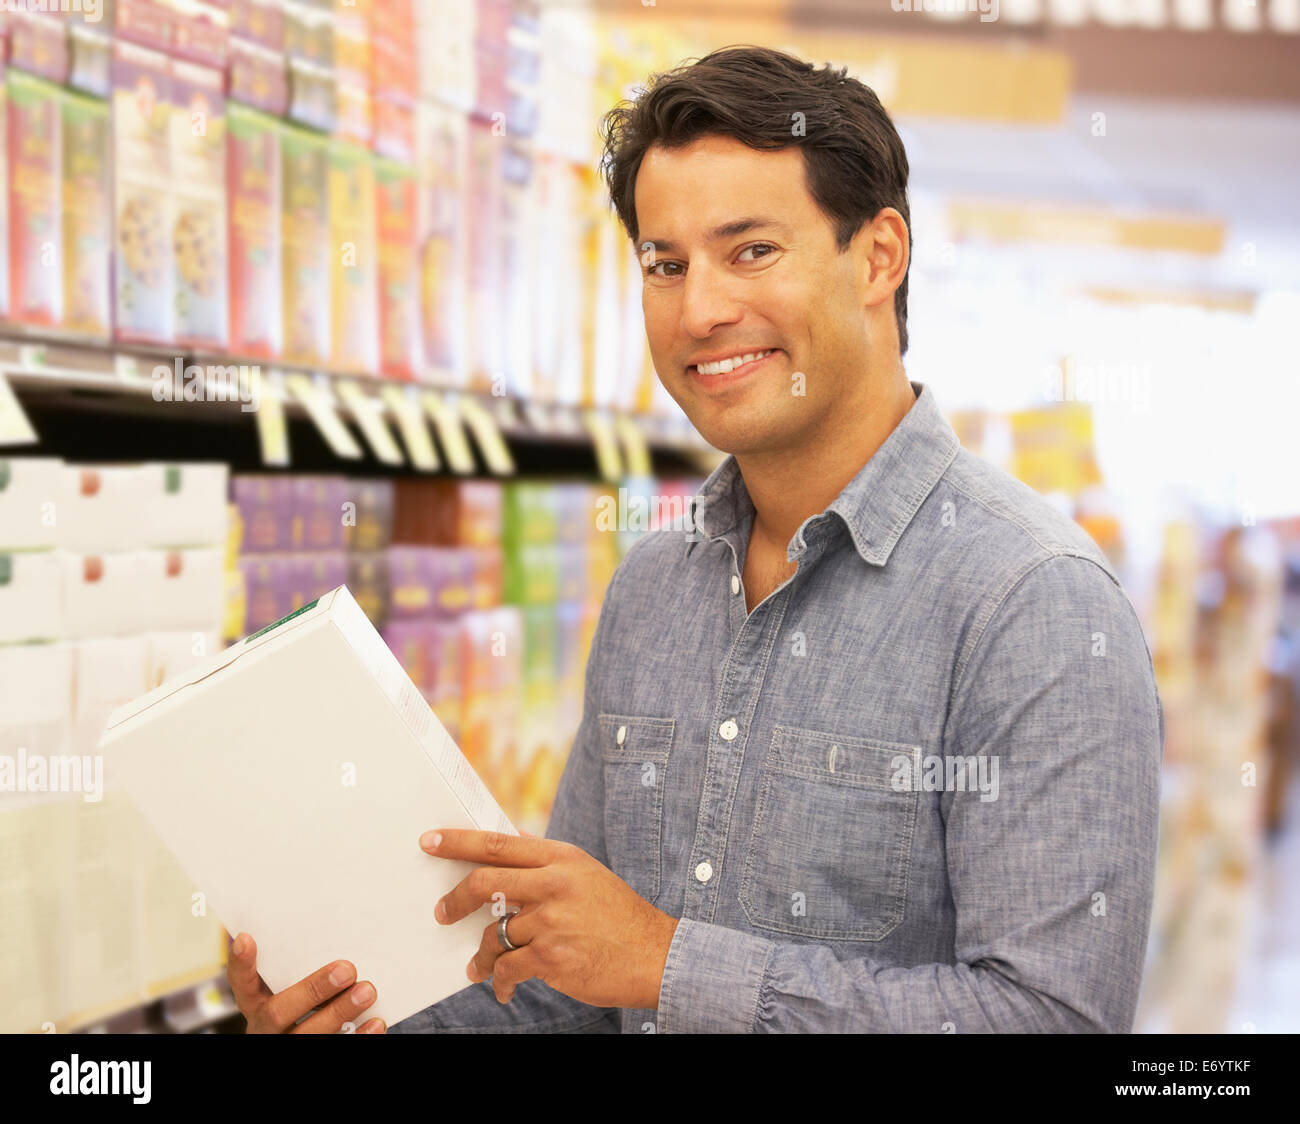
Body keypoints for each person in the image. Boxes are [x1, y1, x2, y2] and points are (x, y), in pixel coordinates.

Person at [229, 44, 1163, 1035]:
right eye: (665, 265)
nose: (701, 310)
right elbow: (565, 989)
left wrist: (670, 961)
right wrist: (363, 1011)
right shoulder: (651, 592)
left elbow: (1055, 1017)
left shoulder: (1035, 604)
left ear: (877, 257)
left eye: (749, 251)